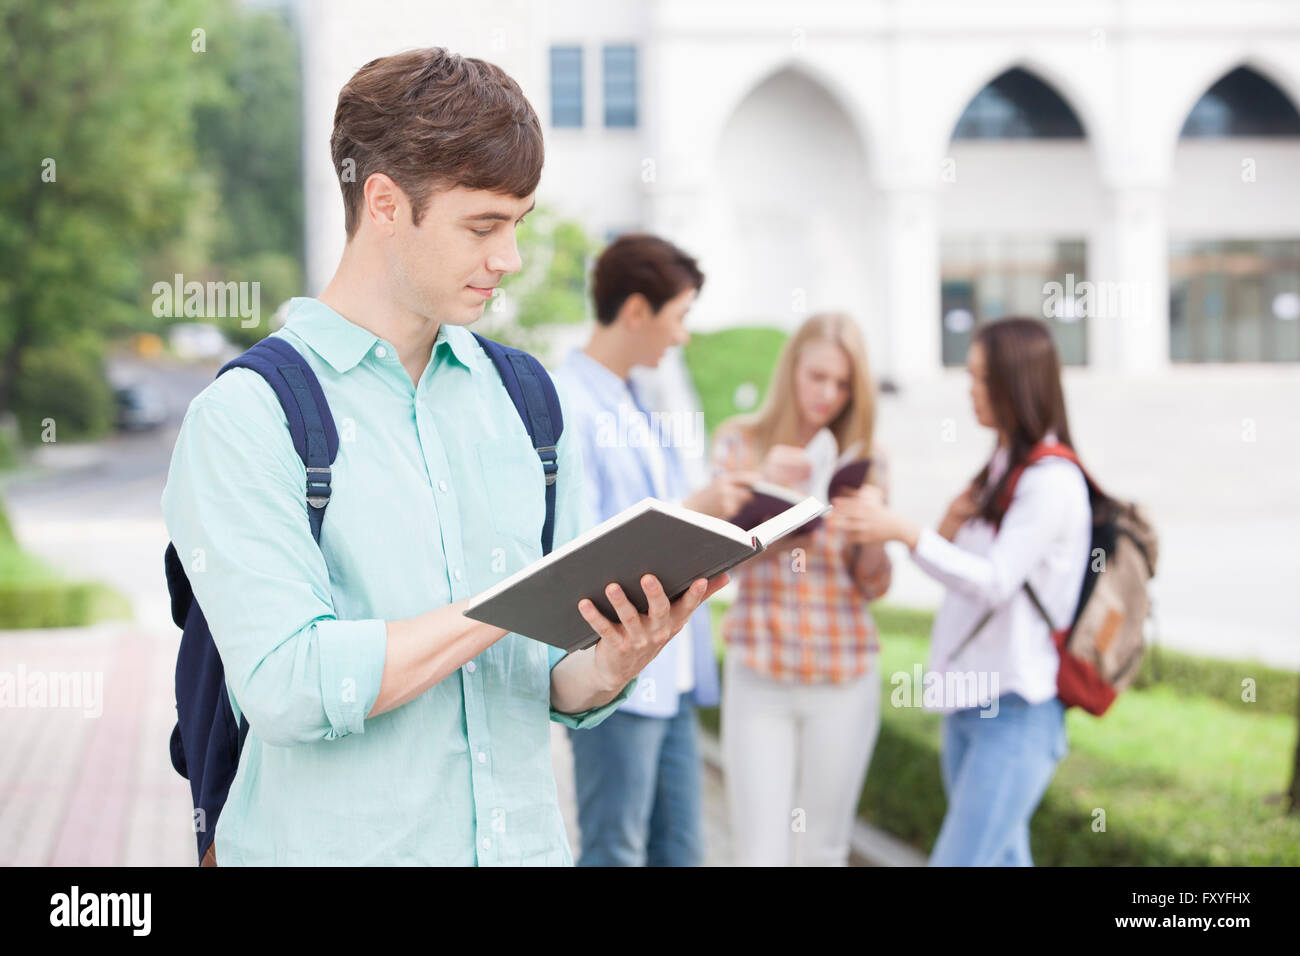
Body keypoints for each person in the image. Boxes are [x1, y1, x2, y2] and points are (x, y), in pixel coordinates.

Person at [160, 47, 727, 866]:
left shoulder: (529, 402)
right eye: (483, 226)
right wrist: (494, 610)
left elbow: (550, 679)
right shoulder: (247, 418)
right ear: (385, 204)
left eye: (519, 224)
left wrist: (613, 661)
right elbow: (288, 685)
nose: (511, 259)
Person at [842, 316, 1090, 866]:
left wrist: (906, 530)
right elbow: (957, 573)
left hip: (1016, 707)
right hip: (972, 703)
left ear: (1016, 382)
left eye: (981, 378)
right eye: (970, 376)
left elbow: (995, 582)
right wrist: (941, 529)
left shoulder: (1051, 481)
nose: (970, 390)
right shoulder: (1004, 467)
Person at [554, 233, 758, 866]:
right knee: (615, 849)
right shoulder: (568, 402)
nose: (683, 336)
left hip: (670, 671)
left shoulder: (639, 399)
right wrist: (696, 512)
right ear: (637, 311)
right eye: (680, 316)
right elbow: (583, 546)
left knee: (682, 851)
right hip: (616, 667)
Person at [711, 312, 892, 866]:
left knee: (822, 850)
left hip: (843, 675)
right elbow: (714, 562)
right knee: (759, 853)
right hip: (761, 673)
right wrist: (771, 496)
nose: (828, 395)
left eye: (842, 384)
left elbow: (875, 584)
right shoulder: (741, 444)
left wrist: (874, 533)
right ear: (792, 369)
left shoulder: (866, 459)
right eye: (818, 377)